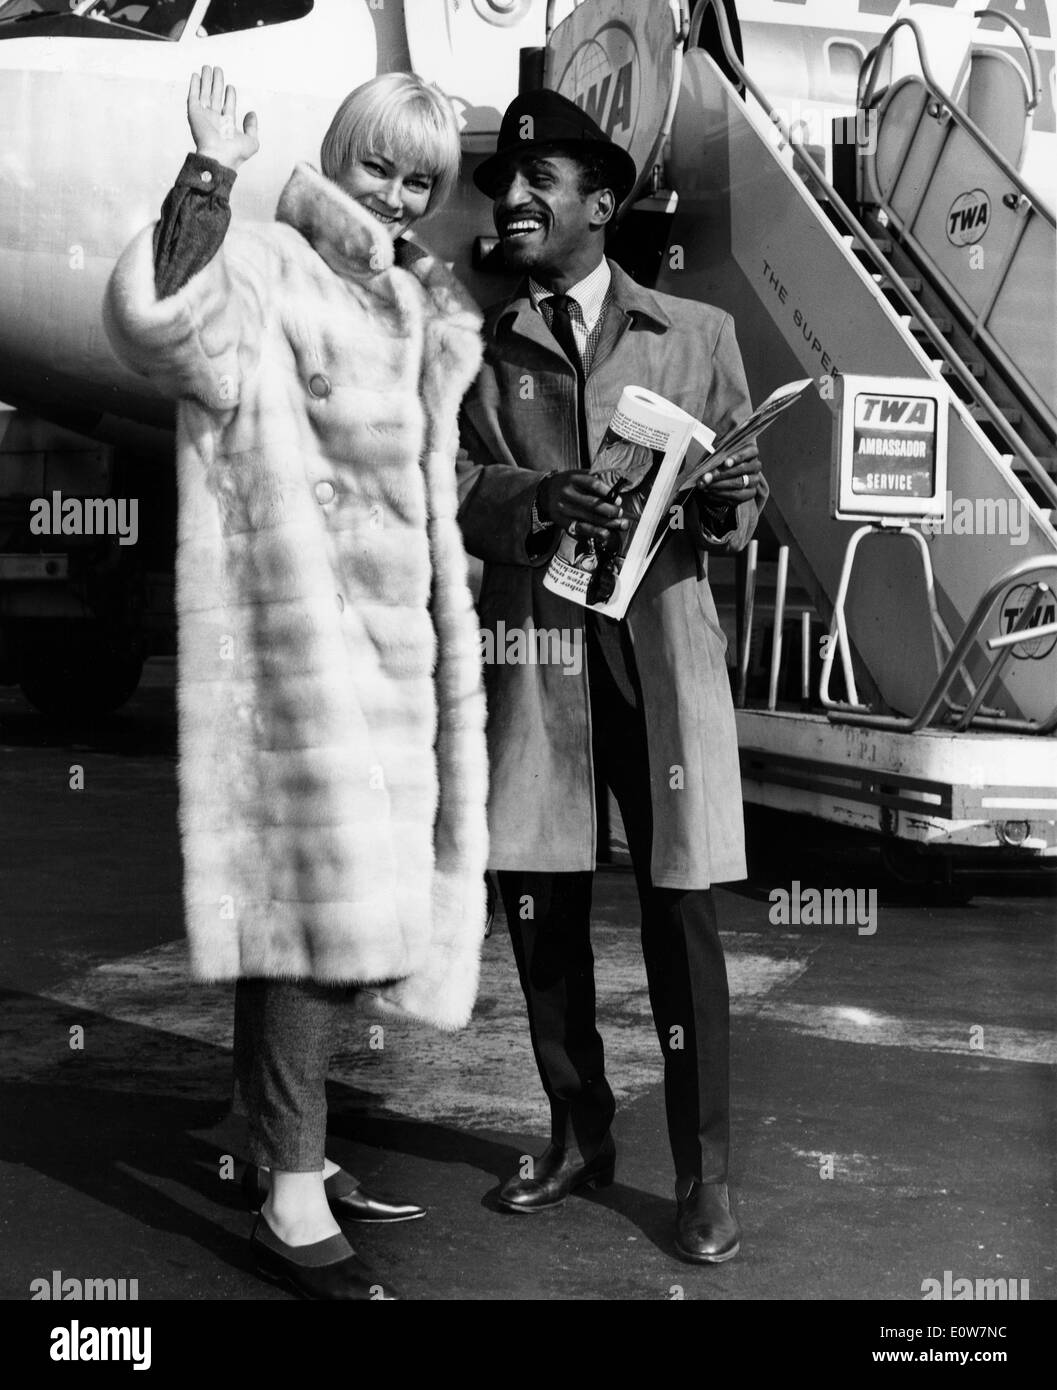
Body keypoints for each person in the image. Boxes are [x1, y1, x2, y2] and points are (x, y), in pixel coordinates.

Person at [104, 67, 489, 1299]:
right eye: (377, 163)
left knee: (345, 923)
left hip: (388, 652)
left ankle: (265, 1136)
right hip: (290, 644)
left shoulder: (412, 299)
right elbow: (166, 320)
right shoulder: (270, 264)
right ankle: (288, 1189)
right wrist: (207, 171)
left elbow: (433, 483)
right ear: (339, 150)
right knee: (310, 921)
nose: (396, 190)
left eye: (419, 176)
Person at [457, 88, 767, 1264]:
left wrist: (729, 502)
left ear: (602, 203)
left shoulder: (696, 334)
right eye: (504, 187)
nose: (515, 200)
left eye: (540, 185)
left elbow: (746, 498)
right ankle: (578, 1130)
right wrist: (538, 498)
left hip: (659, 655)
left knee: (680, 911)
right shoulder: (483, 345)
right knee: (541, 906)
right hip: (541, 654)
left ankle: (705, 1173)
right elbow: (449, 483)